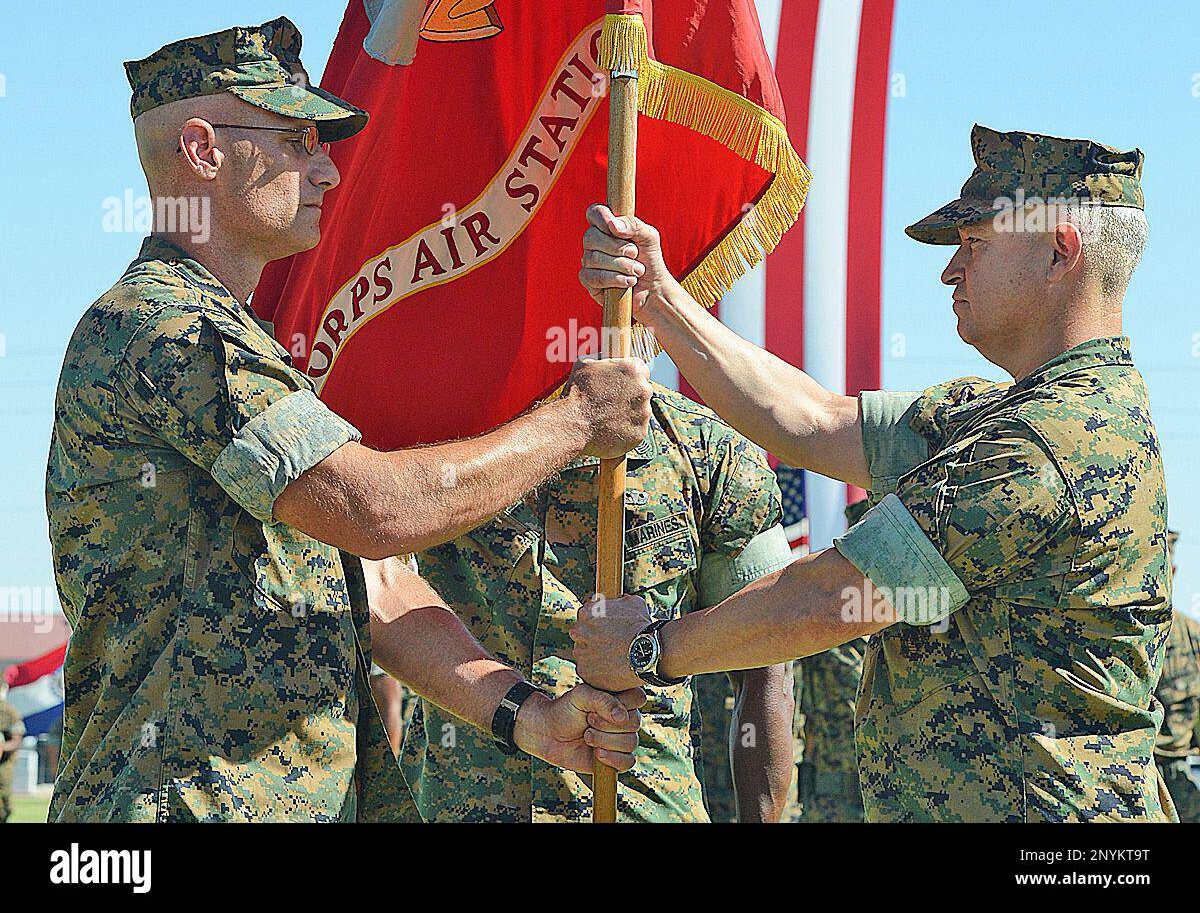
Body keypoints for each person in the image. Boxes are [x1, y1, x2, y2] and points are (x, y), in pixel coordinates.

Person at [46, 17, 650, 822]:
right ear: (202, 150)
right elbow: (373, 511)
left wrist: (525, 715)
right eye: (297, 140)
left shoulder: (237, 339)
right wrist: (573, 422)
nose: (327, 171)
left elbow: (368, 581)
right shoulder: (164, 330)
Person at [571, 124, 1175, 822]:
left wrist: (649, 648)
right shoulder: (1009, 418)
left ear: (1058, 251)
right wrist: (660, 299)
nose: (951, 272)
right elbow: (812, 421)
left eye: (974, 244)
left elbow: (833, 598)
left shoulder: (1044, 445)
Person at [401, 386, 795, 822]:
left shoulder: (708, 452)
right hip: (459, 800)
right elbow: (376, 596)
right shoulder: (432, 442)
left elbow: (765, 670)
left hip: (640, 802)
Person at [791, 500, 869, 823]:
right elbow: (791, 710)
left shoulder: (915, 624)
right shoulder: (827, 622)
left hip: (894, 799)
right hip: (828, 804)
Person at [1153, 530, 1200, 821]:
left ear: (1173, 571)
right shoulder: (1116, 634)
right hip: (1130, 770)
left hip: (1179, 772)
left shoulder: (1192, 636)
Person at [0, 685, 25, 823]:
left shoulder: (9, 713)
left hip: (3, 765)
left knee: (4, 804)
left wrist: (3, 747)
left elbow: (16, 741)